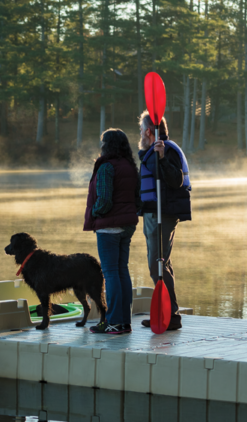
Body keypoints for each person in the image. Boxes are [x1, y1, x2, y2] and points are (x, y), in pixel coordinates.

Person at [137, 111, 191, 330]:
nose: (139, 133)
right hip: (154, 213)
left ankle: (171, 316)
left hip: (163, 214)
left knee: (157, 264)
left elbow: (176, 180)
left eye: (141, 129)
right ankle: (165, 312)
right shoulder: (154, 150)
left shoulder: (165, 150)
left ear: (148, 131)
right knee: (160, 264)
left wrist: (160, 159)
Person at [83, 128, 141, 334]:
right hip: (127, 226)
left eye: (103, 143)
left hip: (109, 227)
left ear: (108, 145)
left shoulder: (107, 167)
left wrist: (96, 214)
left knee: (111, 273)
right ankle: (124, 322)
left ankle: (114, 322)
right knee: (122, 271)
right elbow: (137, 198)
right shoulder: (130, 166)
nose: (101, 146)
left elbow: (105, 200)